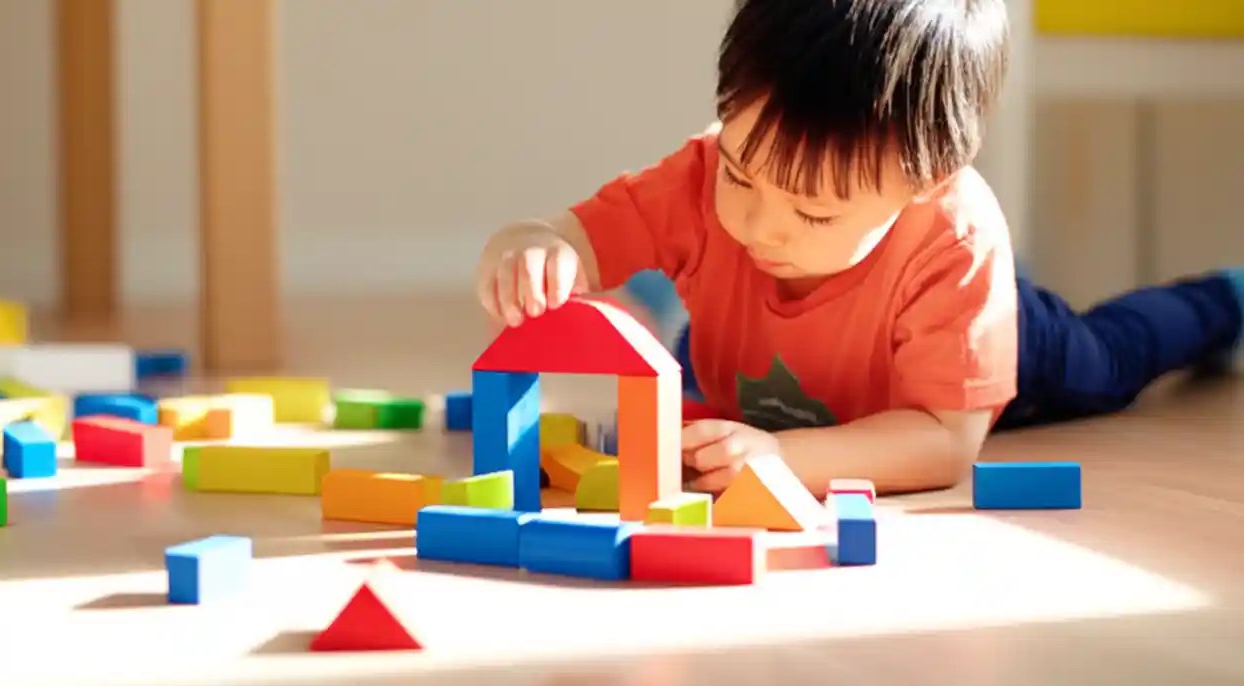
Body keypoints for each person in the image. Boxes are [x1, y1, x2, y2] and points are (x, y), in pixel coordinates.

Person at [473, 0, 1244, 496]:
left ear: (926, 181)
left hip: (979, 366)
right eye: (742, 176)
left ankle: (1223, 301)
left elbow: (945, 445)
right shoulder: (703, 174)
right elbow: (571, 234)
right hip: (781, 374)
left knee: (1112, 358)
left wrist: (787, 461)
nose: (760, 227)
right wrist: (538, 247)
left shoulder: (956, 237)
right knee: (698, 350)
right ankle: (696, 315)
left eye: (811, 214)